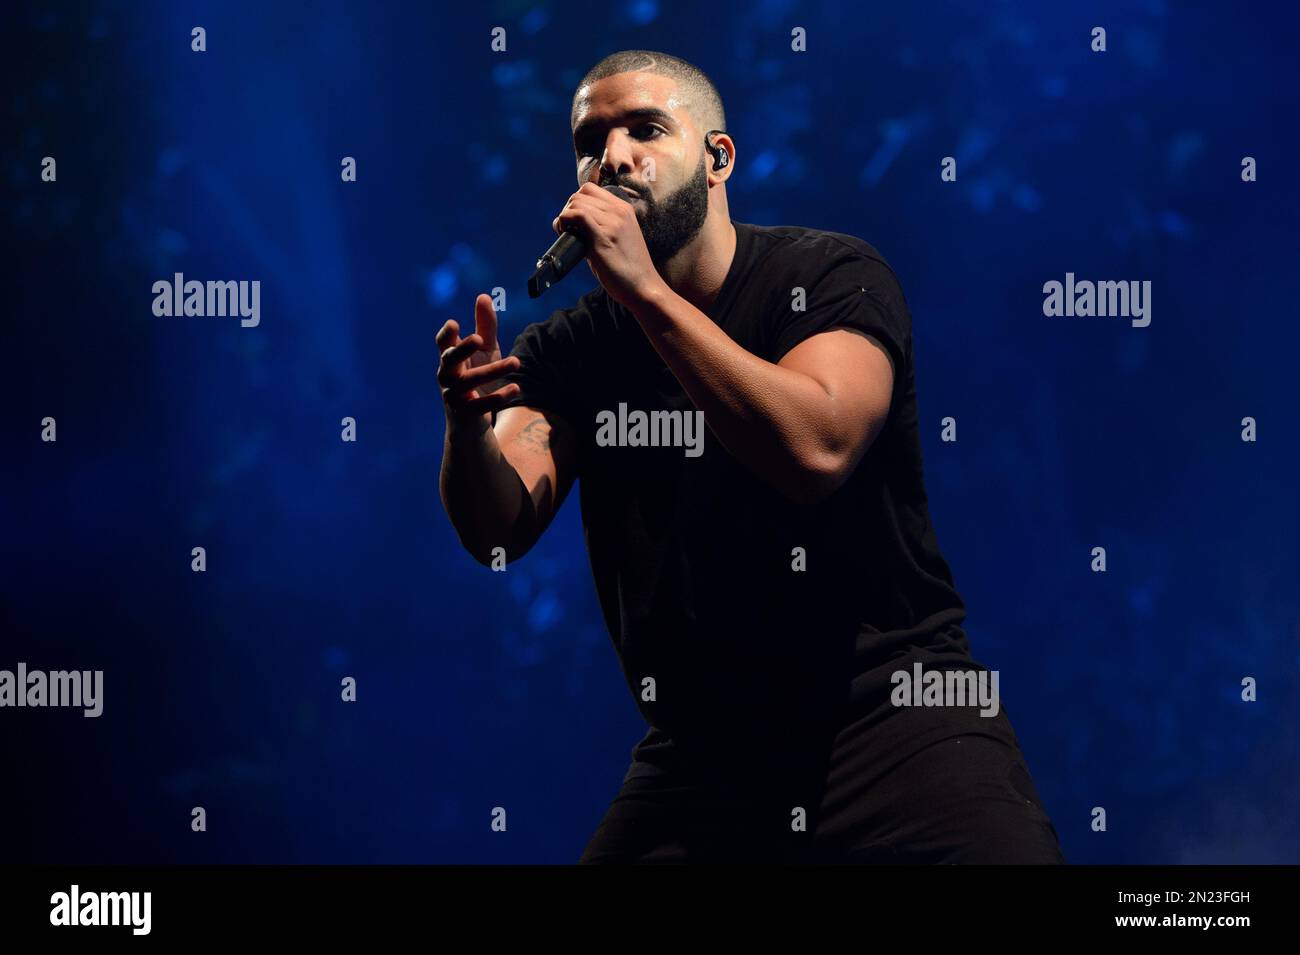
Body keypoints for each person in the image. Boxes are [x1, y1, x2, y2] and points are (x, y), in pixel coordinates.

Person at [438, 50, 1065, 864]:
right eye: (591, 141)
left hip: (894, 726)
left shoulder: (829, 276)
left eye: (645, 129)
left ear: (718, 158)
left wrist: (647, 297)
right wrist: (463, 428)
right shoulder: (573, 348)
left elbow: (817, 445)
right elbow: (499, 527)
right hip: (703, 762)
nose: (614, 156)